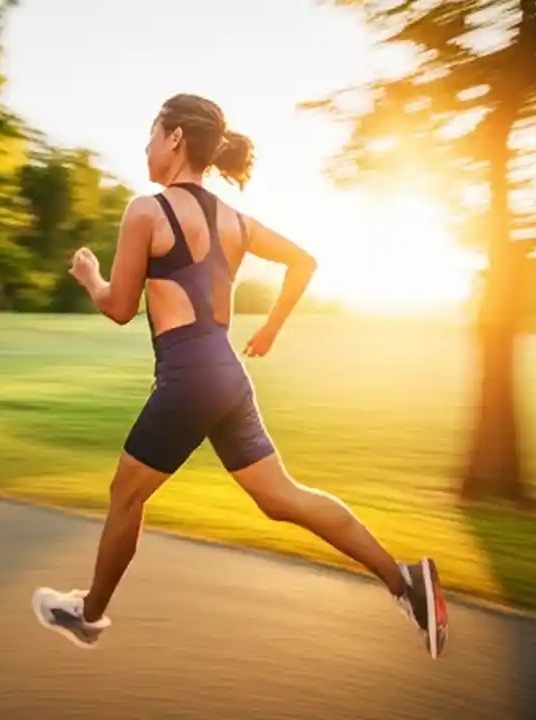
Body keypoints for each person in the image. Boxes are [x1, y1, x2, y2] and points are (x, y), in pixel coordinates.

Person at [32, 94, 447, 658]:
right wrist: (270, 328)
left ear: (175, 138)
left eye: (152, 133)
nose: (146, 146)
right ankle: (405, 581)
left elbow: (120, 307)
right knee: (282, 498)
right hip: (226, 374)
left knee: (125, 495)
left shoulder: (146, 211)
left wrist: (90, 276)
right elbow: (304, 262)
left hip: (189, 376)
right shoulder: (236, 221)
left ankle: (89, 615)